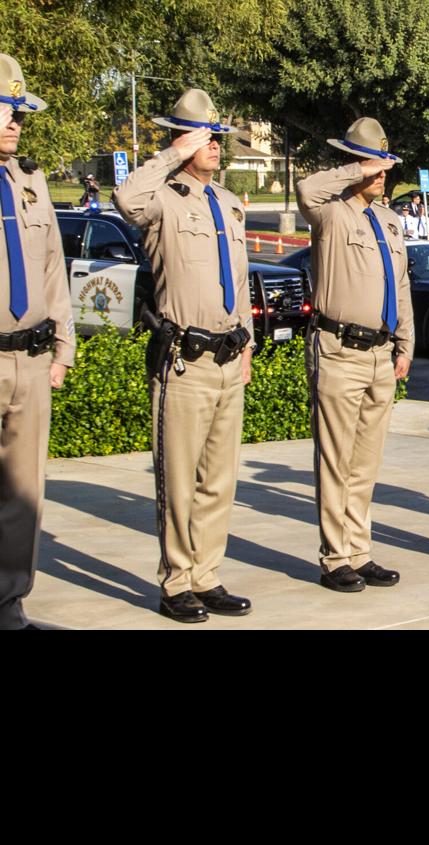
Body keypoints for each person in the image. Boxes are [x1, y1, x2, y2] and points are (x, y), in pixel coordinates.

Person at [111, 88, 257, 621]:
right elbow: (124, 200)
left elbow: (237, 282)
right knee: (178, 479)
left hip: (227, 357)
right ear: (181, 136)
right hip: (184, 359)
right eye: (205, 137)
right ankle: (176, 583)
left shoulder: (228, 203)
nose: (215, 145)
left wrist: (247, 342)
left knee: (219, 480)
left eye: (217, 136)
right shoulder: (162, 199)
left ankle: (206, 574)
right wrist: (173, 153)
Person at [295, 116, 414, 592]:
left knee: (365, 463)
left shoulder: (389, 220)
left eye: (386, 165)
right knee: (336, 460)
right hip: (339, 349)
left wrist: (405, 342)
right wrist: (356, 171)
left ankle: (359, 551)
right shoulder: (330, 212)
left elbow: (399, 285)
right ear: (353, 163)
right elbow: (306, 188)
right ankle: (334, 557)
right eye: (375, 164)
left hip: (380, 355)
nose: (383, 173)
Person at [0, 54, 75, 631]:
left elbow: (53, 272)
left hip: (28, 357)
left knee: (24, 496)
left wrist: (63, 348)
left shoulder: (31, 184)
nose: (15, 122)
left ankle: (10, 605)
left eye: (20, 113)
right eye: (6, 109)